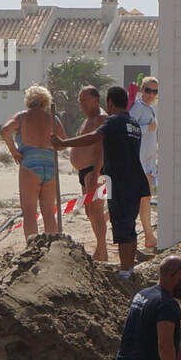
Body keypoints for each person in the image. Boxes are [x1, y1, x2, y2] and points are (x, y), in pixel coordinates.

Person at [52, 86, 150, 276]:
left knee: (121, 228)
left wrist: (64, 143)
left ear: (110, 103)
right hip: (136, 180)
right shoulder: (134, 124)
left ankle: (124, 272)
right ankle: (129, 269)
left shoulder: (112, 121)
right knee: (129, 227)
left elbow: (94, 138)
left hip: (121, 182)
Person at [0, 86, 67, 238]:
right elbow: (63, 144)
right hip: (50, 164)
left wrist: (14, 151)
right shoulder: (53, 118)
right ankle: (53, 249)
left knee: (30, 214)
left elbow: (5, 130)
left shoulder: (22, 116)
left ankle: (32, 249)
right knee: (49, 214)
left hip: (30, 163)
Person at [71, 86, 109, 262]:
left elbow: (103, 146)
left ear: (95, 99)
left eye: (84, 99)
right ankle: (100, 248)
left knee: (96, 210)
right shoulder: (87, 120)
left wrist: (96, 172)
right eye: (80, 99)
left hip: (96, 169)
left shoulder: (101, 118)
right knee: (89, 211)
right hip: (84, 170)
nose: (81, 103)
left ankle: (103, 250)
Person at [128, 76, 159, 249]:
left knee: (143, 199)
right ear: (142, 90)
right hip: (139, 161)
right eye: (148, 90)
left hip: (148, 162)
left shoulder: (149, 108)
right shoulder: (139, 107)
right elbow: (129, 127)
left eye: (154, 91)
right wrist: (148, 128)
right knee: (141, 199)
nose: (151, 94)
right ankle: (149, 236)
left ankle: (149, 236)